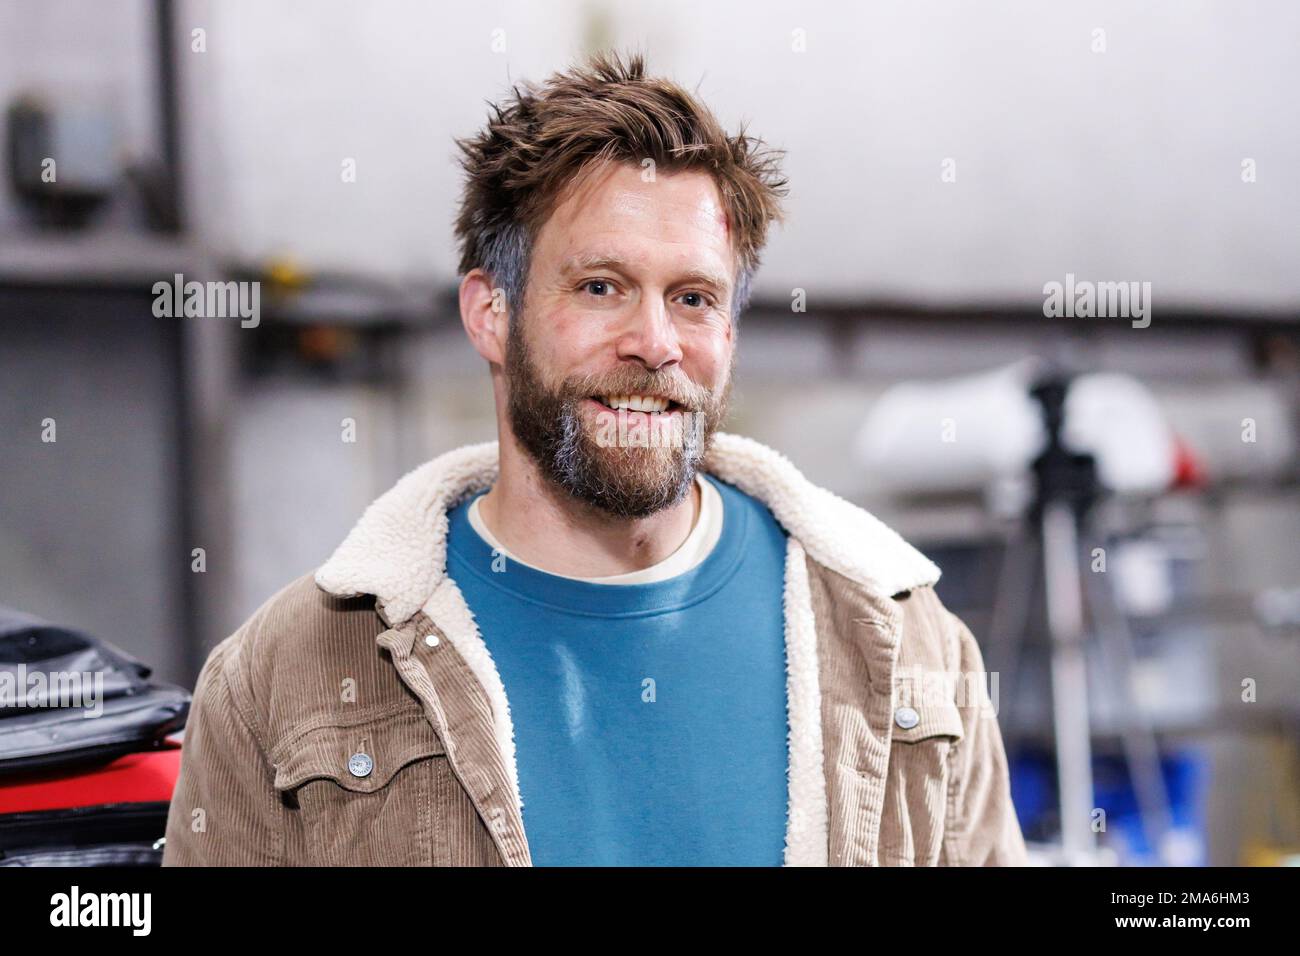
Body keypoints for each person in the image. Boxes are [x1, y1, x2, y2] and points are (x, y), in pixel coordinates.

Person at [162, 49, 1026, 867]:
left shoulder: (909, 644)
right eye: (601, 287)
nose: (655, 344)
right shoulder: (281, 680)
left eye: (692, 297)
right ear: (489, 314)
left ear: (729, 331)